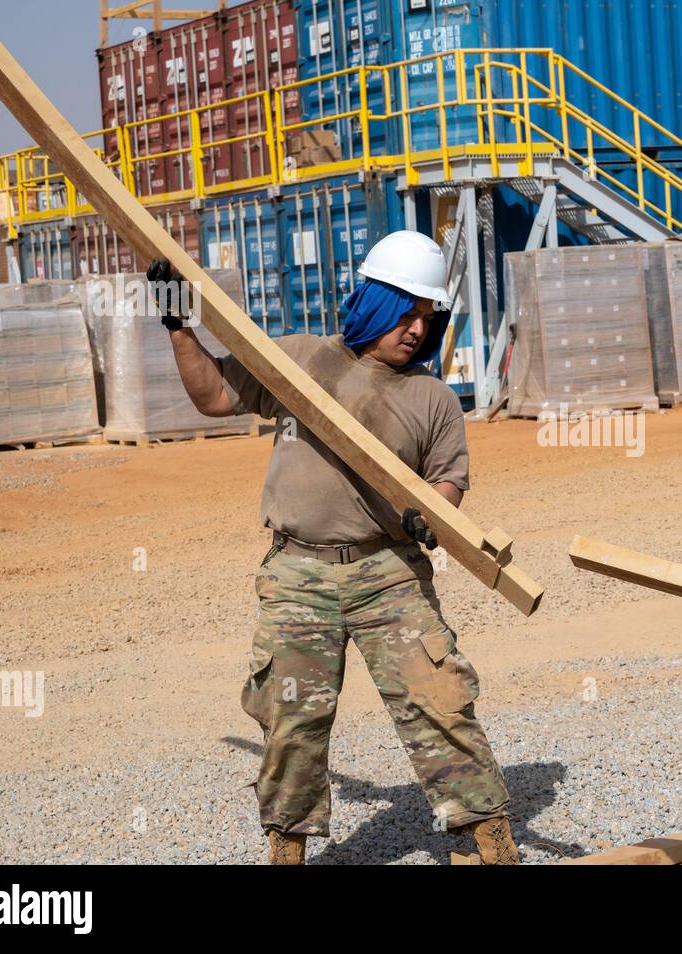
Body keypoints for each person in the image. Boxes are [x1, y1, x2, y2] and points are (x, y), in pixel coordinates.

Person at [147, 230, 518, 865]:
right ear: (373, 301)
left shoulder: (433, 398)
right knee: (291, 721)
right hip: (298, 572)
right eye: (406, 313)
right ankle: (287, 850)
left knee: (438, 701)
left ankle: (488, 842)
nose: (415, 330)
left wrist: (438, 513)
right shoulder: (299, 361)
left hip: (389, 574)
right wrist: (180, 325)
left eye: (426, 318)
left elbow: (449, 478)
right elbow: (213, 397)